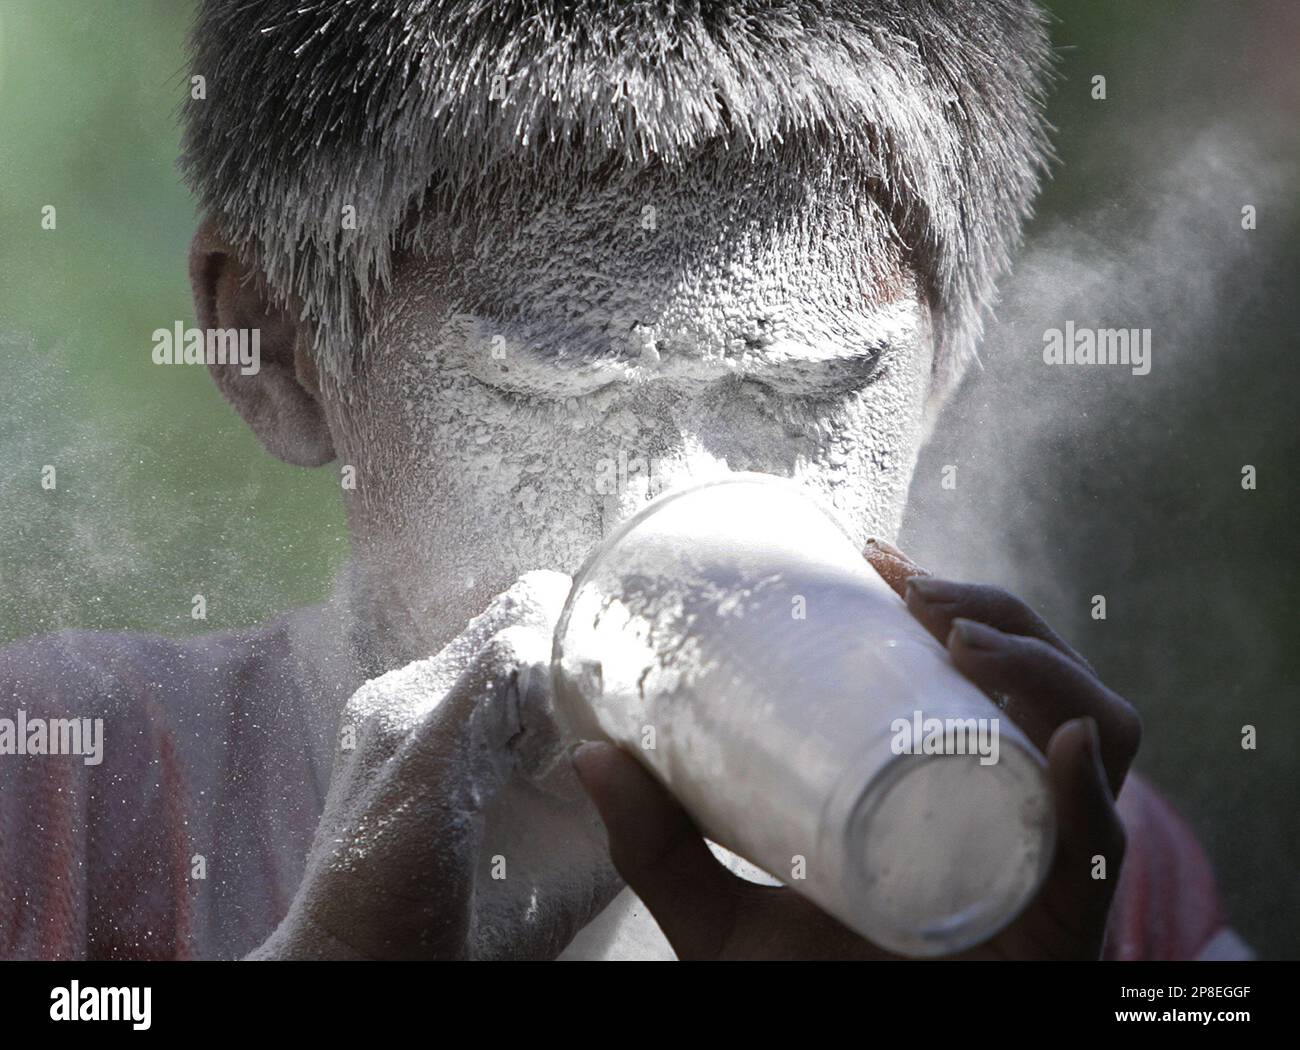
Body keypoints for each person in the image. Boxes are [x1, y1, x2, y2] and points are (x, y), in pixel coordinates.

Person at [0, 0, 1249, 960]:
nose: (668, 504)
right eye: (545, 397)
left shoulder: (1084, 874)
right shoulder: (56, 799)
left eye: (801, 397)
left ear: (944, 375)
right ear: (275, 350)